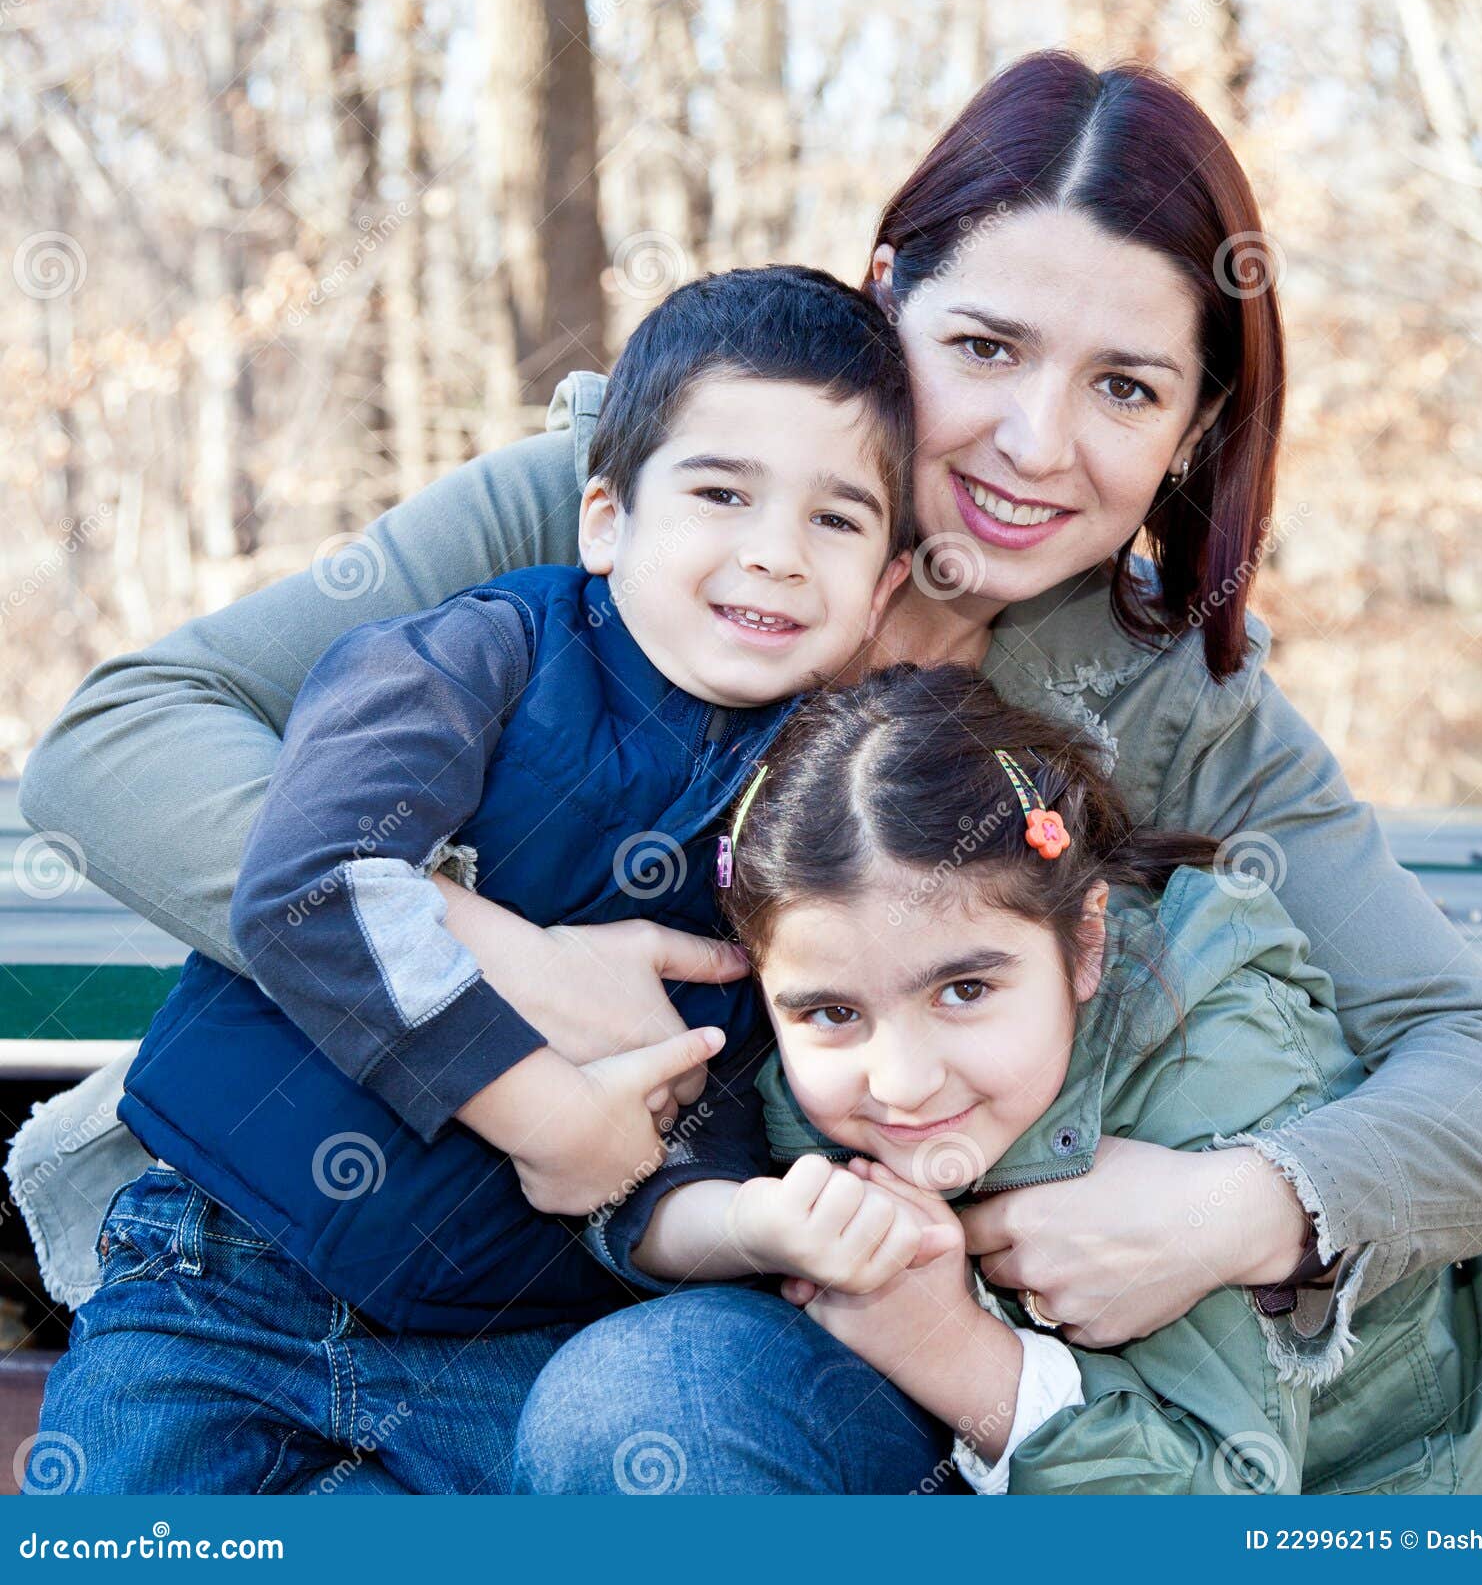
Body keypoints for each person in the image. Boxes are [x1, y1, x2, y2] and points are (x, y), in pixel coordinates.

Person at [14, 52, 1482, 1495]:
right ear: (886, 299)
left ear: (1193, 426)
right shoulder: (630, 502)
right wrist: (500, 957)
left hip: (923, 1347)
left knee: (647, 1413)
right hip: (407, 1252)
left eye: (1125, 386)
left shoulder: (1178, 703)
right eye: (984, 347)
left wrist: (1231, 1209)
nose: (1036, 444)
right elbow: (125, 737)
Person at [26, 265, 954, 1495]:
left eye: (836, 521)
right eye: (721, 492)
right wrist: (542, 1111)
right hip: (228, 1276)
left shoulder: (826, 801)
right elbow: (316, 885)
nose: (775, 555)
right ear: (607, 518)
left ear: (887, 583)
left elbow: (715, 1105)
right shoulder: (482, 652)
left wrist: (735, 1215)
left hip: (513, 1330)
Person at [643, 663, 1482, 1494]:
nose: (904, 1083)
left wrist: (955, 1354)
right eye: (834, 1014)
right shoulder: (805, 1083)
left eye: (964, 990)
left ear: (1085, 943)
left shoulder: (1219, 1069)